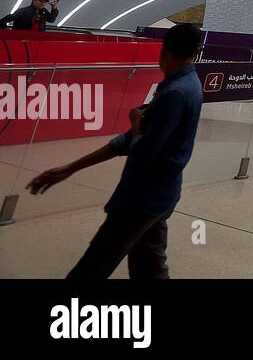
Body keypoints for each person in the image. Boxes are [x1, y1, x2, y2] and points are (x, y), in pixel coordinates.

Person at [28, 24, 203, 278]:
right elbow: (126, 142)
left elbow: (142, 151)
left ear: (164, 52)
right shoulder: (189, 83)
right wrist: (69, 169)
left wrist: (135, 124)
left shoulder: (174, 93)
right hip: (163, 195)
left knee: (94, 266)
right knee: (149, 268)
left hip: (142, 198)